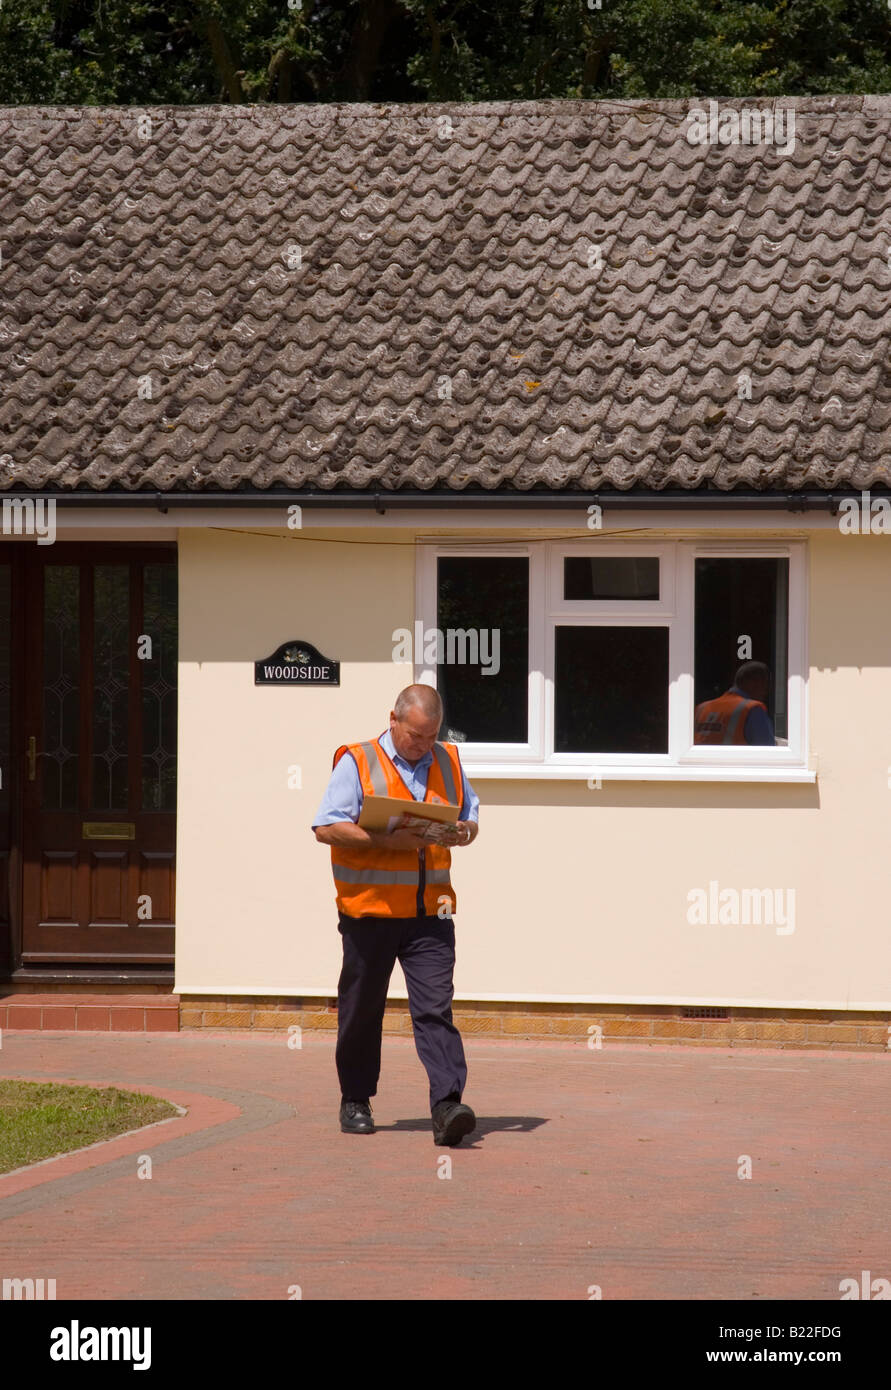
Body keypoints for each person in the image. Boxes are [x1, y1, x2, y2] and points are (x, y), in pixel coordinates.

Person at [312, 684, 480, 1146]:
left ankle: (448, 1107)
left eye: (430, 737)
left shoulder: (448, 760)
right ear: (393, 719)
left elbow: (470, 818)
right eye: (414, 737)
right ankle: (356, 1099)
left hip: (431, 913)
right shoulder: (358, 760)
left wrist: (463, 831)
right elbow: (326, 826)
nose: (423, 746)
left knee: (434, 1010)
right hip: (370, 912)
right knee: (363, 1009)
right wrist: (386, 840)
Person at [694, 661, 775, 745]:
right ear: (751, 682)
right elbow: (767, 753)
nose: (767, 690)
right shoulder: (753, 710)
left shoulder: (701, 708)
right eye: (765, 683)